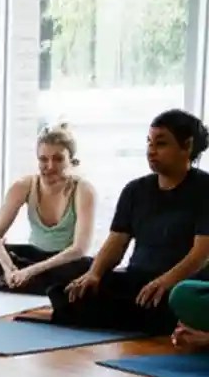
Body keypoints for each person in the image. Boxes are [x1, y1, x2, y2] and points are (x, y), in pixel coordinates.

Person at [51, 109, 209, 335]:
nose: (151, 151)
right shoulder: (135, 190)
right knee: (70, 289)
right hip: (137, 280)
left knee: (174, 300)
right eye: (149, 143)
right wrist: (94, 273)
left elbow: (201, 254)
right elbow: (116, 242)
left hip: (180, 283)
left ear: (187, 146)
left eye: (161, 144)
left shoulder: (204, 190)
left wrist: (165, 282)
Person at [0, 125, 95, 294]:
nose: (50, 166)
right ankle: (29, 283)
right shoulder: (24, 185)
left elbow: (79, 249)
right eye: (43, 159)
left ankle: (20, 282)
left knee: (87, 266)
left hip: (63, 261)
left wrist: (30, 271)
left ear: (70, 160)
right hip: (31, 256)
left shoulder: (83, 190)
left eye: (58, 159)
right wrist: (8, 267)